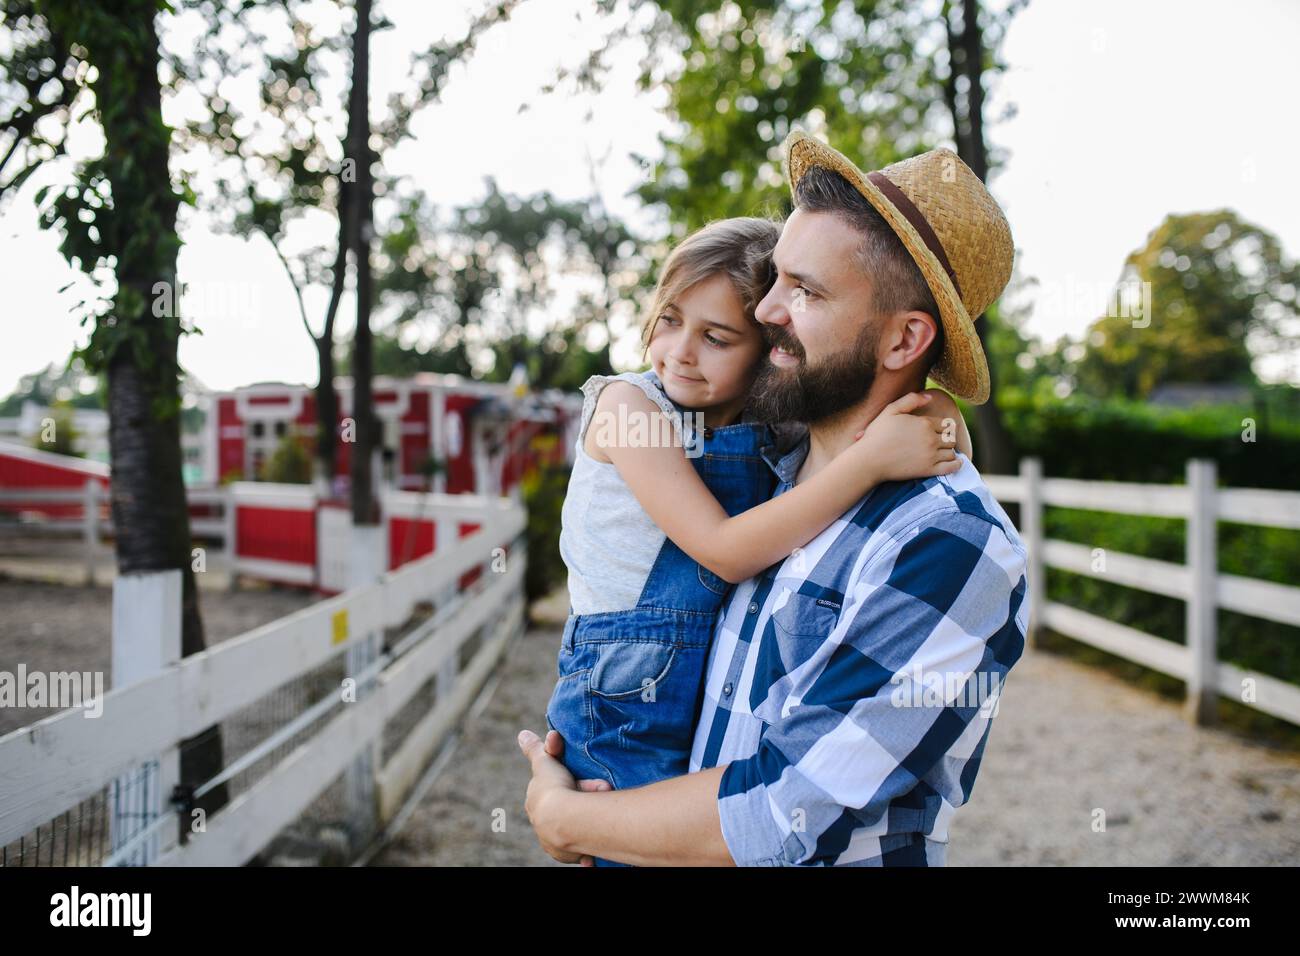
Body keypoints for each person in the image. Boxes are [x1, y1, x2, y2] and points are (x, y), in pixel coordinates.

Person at [520, 131, 1029, 867]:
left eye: (806, 291)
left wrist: (569, 821)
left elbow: (783, 814)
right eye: (776, 281)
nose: (765, 313)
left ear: (904, 340)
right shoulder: (777, 467)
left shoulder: (946, 542)